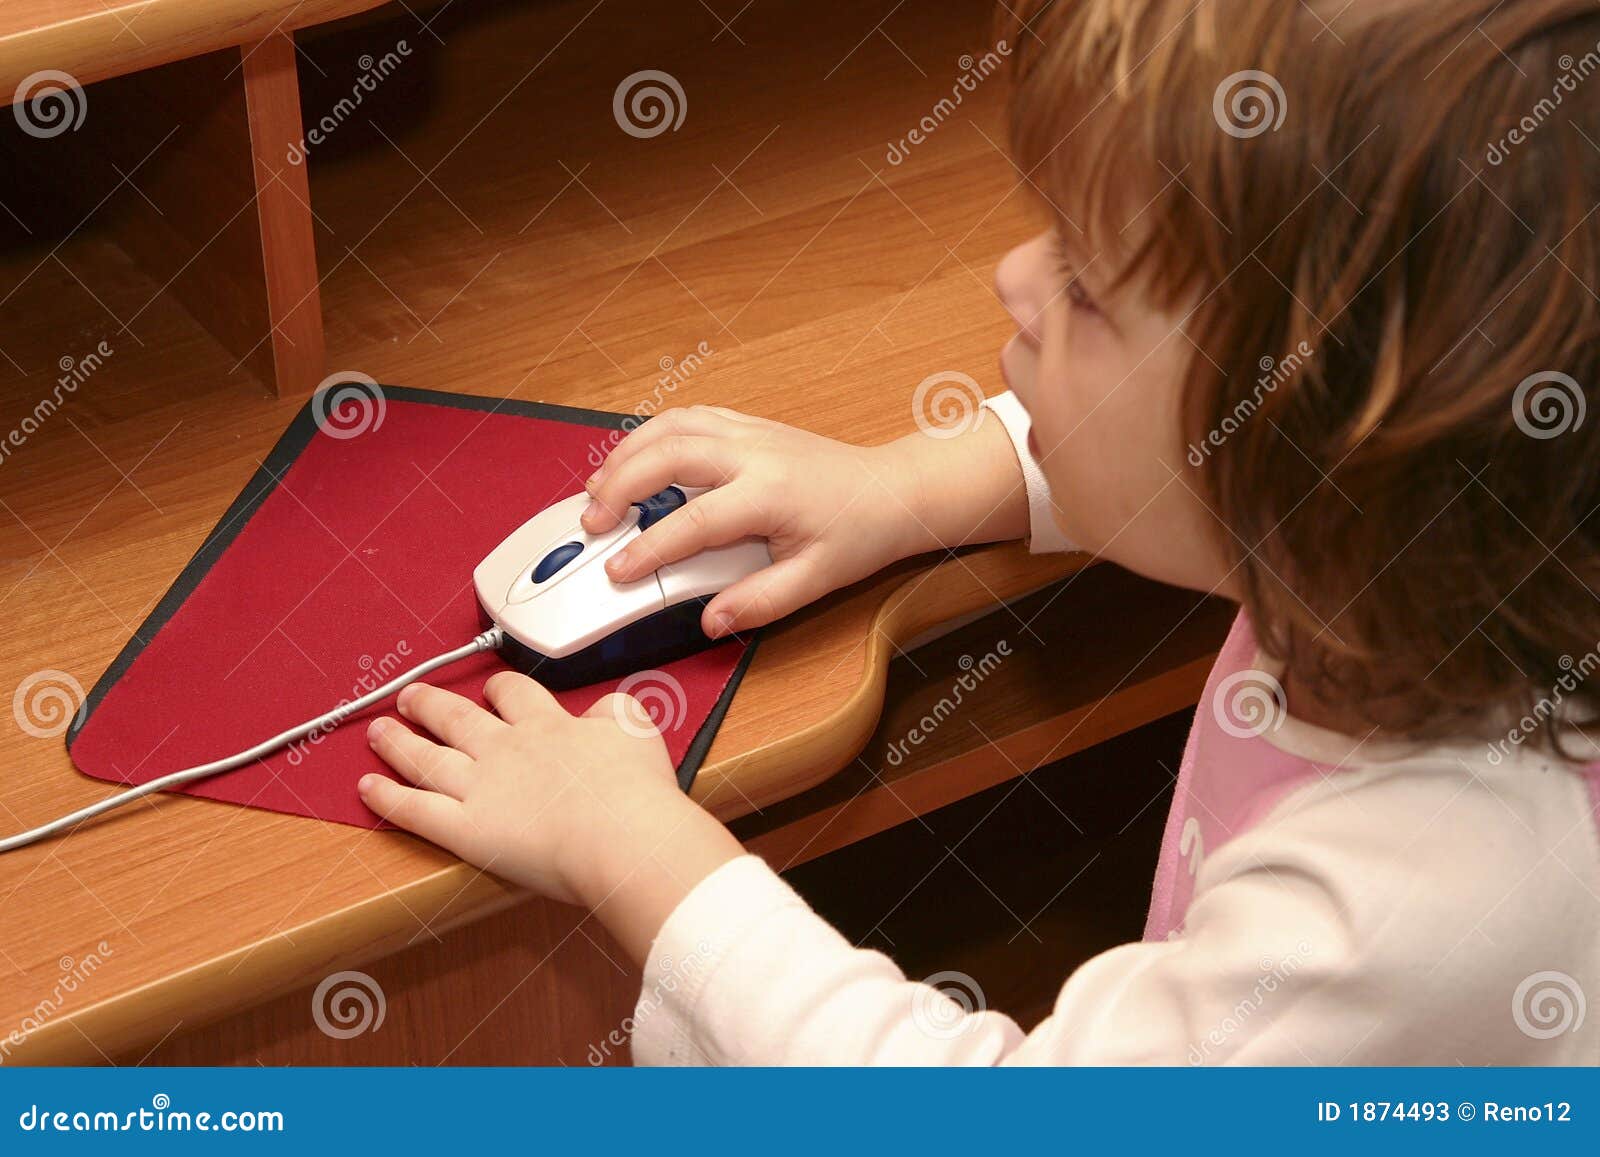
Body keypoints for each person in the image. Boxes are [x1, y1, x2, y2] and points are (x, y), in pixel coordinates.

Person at [357, 0, 1600, 1063]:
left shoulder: (1407, 912)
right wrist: (907, 486)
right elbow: (1206, 469)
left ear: (1330, 455)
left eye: (1088, 285)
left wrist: (632, 850)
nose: (1012, 276)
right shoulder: (1455, 556)